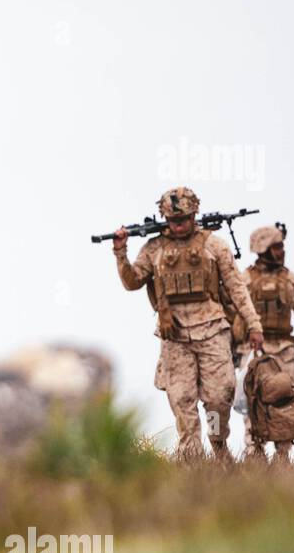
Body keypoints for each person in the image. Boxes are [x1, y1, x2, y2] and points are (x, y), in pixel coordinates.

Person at [112, 187, 263, 460]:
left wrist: (254, 325)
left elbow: (236, 288)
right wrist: (121, 253)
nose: (179, 226)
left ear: (195, 214)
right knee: (182, 399)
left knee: (219, 397)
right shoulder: (154, 249)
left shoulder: (214, 246)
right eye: (173, 221)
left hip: (212, 331)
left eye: (184, 220)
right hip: (175, 336)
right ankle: (191, 457)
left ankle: (218, 444)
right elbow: (132, 281)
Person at [237, 225, 294, 460]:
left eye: (281, 246)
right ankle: (254, 453)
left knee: (288, 401)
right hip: (254, 352)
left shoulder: (292, 281)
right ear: (263, 249)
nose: (281, 251)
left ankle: (283, 455)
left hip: (285, 351)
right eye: (276, 247)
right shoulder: (244, 281)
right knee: (252, 402)